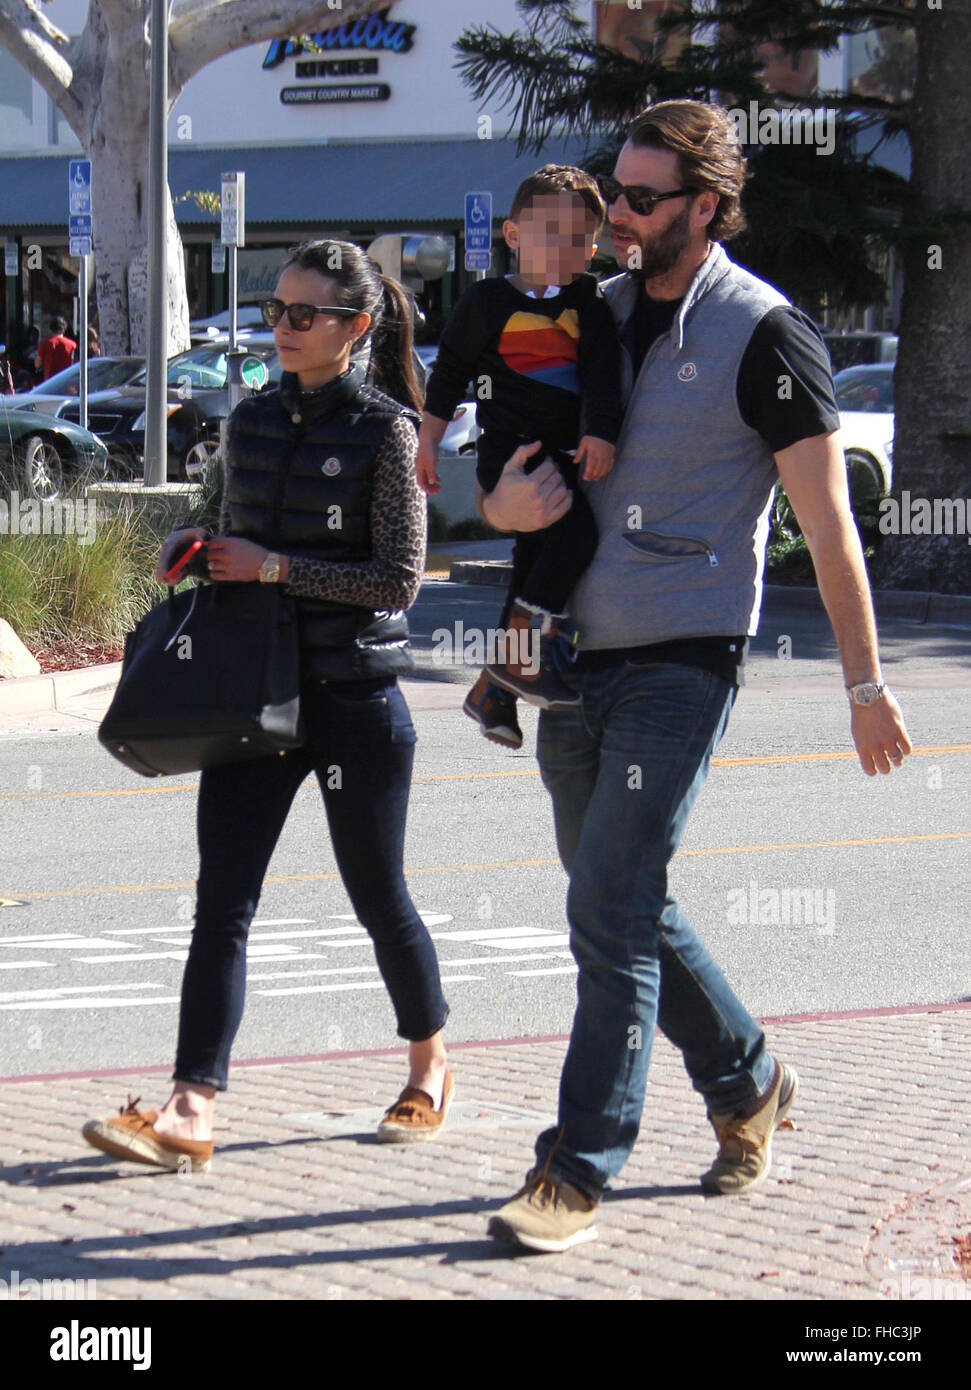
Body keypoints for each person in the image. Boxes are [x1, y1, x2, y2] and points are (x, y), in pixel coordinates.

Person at [480, 101, 913, 1253]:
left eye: (636, 198)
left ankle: (576, 1163)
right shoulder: (599, 312)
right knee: (614, 892)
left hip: (684, 653)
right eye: (610, 192)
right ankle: (748, 1080)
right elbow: (512, 454)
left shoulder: (764, 334)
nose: (610, 216)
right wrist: (493, 504)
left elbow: (827, 526)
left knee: (605, 907)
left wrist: (864, 686)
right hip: (570, 658)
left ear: (703, 207)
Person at [82, 241, 454, 1172]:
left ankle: (429, 1064)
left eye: (302, 315)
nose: (279, 330)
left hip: (354, 696)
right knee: (223, 903)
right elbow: (216, 518)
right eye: (272, 312)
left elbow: (397, 582)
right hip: (254, 696)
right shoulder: (246, 420)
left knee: (379, 897)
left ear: (355, 327)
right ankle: (188, 1106)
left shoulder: (385, 431)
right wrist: (192, 543)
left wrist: (279, 567)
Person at [418, 164, 623, 747]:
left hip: (567, 451)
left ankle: (495, 692)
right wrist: (428, 442)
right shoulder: (485, 301)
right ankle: (529, 652)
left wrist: (602, 432)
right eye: (550, 232)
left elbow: (604, 375)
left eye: (582, 238)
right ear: (513, 235)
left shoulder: (591, 303)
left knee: (535, 558)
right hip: (512, 453)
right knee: (577, 535)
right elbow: (449, 374)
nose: (567, 247)